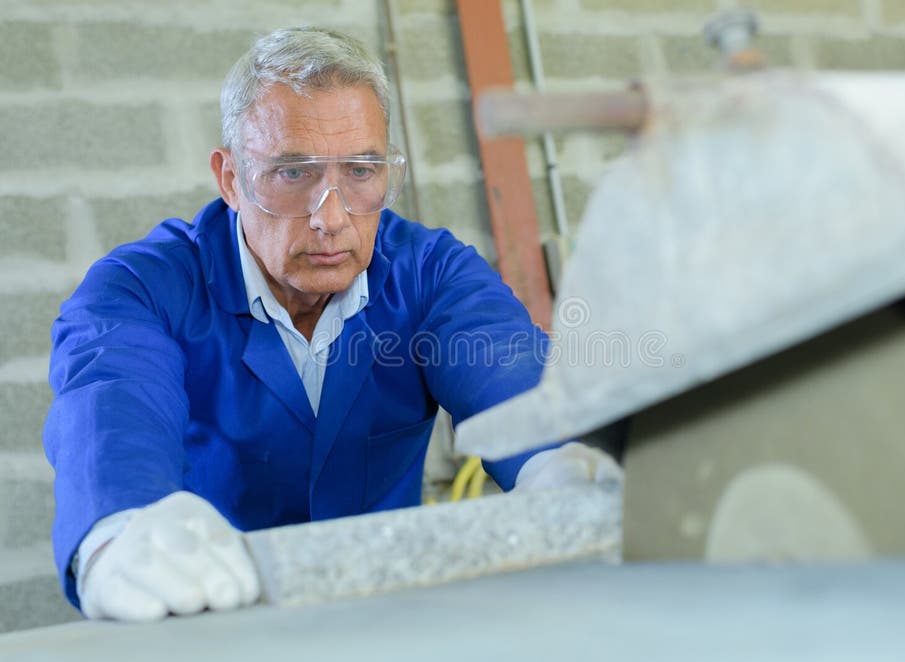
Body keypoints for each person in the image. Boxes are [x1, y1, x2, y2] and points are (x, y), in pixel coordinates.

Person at [43, 27, 621, 622]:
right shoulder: (143, 290)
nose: (332, 217)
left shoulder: (430, 275)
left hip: (394, 621)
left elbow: (510, 373)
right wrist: (119, 531)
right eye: (293, 173)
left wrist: (558, 464)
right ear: (231, 179)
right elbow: (110, 414)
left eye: (363, 171)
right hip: (209, 620)